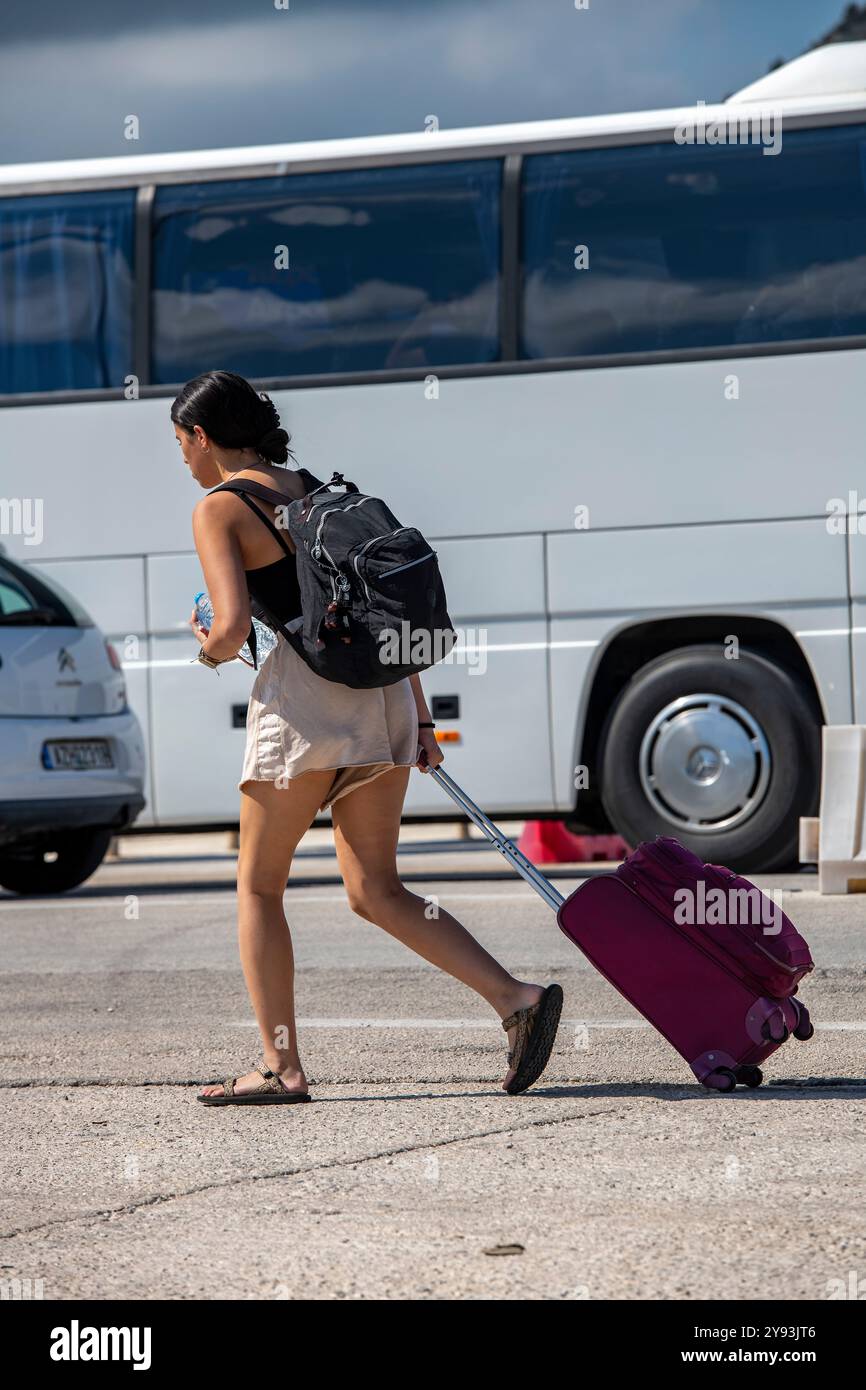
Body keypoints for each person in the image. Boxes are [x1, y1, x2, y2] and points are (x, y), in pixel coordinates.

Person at [173, 370, 563, 1106]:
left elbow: (227, 631)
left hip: (304, 709)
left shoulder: (220, 507)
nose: (183, 461)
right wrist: (418, 720)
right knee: (377, 888)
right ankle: (515, 997)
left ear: (201, 436)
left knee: (258, 886)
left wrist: (207, 647)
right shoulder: (316, 488)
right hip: (381, 701)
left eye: (180, 444)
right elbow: (374, 616)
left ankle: (281, 1068)